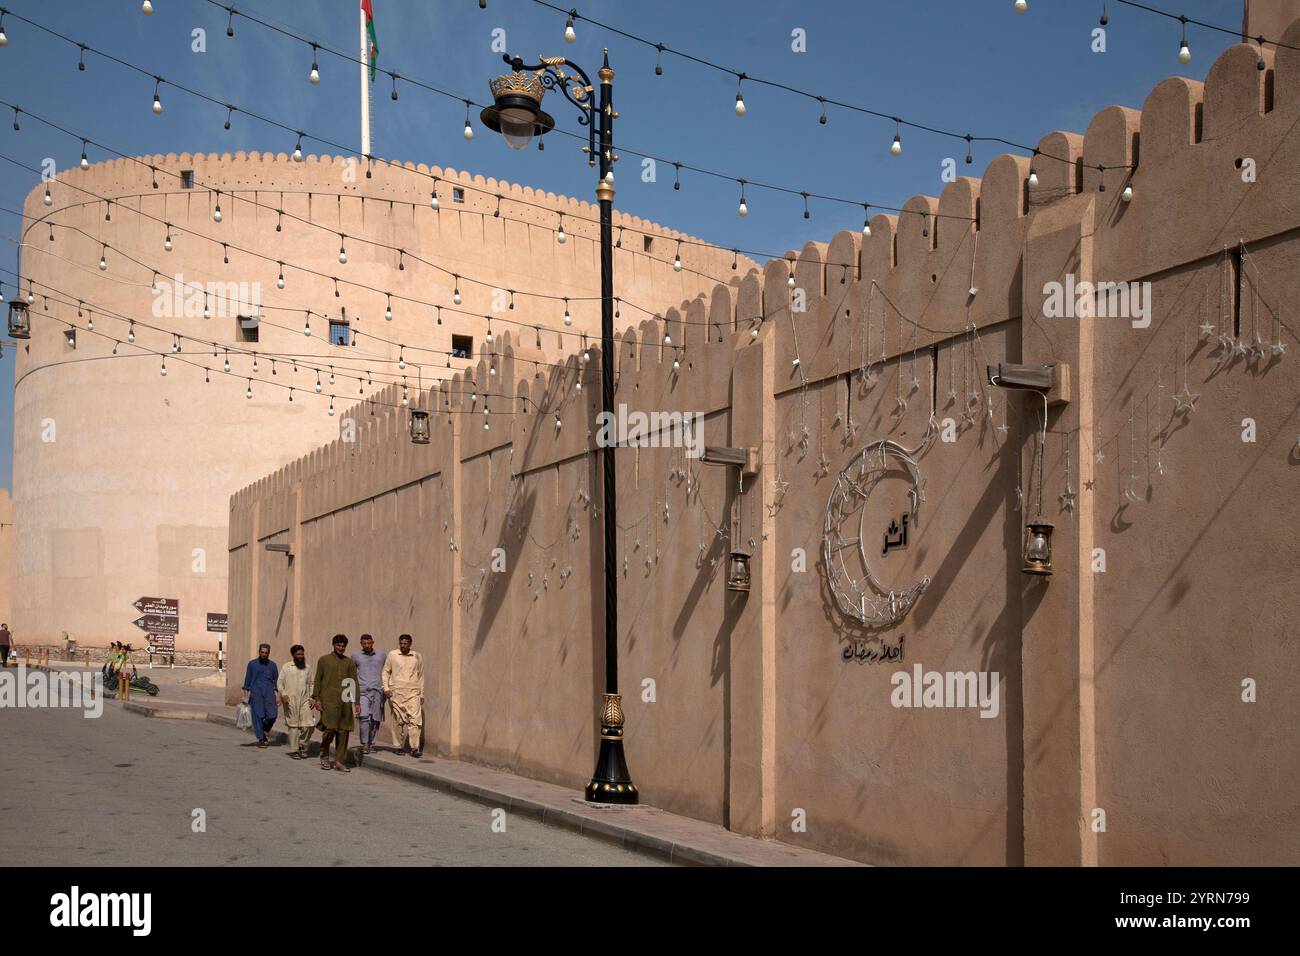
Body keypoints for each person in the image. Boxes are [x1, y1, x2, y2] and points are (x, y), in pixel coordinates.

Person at [312, 634, 359, 772]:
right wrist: (317, 699)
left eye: (343, 646)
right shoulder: (324, 660)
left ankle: (339, 761)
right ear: (333, 645)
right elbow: (318, 680)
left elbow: (353, 682)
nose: (341, 648)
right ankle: (325, 755)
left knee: (343, 731)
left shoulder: (349, 662)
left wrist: (356, 701)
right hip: (328, 701)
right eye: (339, 645)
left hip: (344, 701)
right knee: (330, 729)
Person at [382, 633, 424, 758]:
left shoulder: (417, 656)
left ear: (410, 644)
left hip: (413, 692)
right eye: (401, 643)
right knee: (398, 720)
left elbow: (421, 675)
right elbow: (385, 671)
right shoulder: (393, 655)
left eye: (405, 643)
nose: (403, 646)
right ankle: (398, 746)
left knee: (415, 720)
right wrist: (386, 688)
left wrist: (421, 693)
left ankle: (414, 748)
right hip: (396, 692)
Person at [276, 644, 315, 759]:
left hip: (305, 700)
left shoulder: (307, 668)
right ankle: (295, 750)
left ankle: (302, 744)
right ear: (293, 655)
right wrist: (283, 694)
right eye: (298, 654)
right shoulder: (287, 667)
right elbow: (280, 682)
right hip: (290, 700)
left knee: (309, 724)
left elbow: (311, 683)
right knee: (293, 726)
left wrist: (312, 697)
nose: (300, 656)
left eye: (302, 654)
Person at [351, 634, 385, 754]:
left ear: (373, 642)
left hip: (378, 691)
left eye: (369, 643)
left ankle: (371, 744)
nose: (366, 645)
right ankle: (365, 744)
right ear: (361, 643)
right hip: (362, 692)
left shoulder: (381, 655)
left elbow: (386, 673)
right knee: (364, 717)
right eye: (364, 643)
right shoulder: (355, 656)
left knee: (375, 719)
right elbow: (352, 674)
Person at [240, 643, 279, 748]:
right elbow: (247, 681)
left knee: (273, 714)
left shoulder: (273, 665)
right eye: (262, 652)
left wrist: (278, 695)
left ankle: (264, 729)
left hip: (269, 692)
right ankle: (262, 738)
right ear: (259, 652)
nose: (264, 654)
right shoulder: (252, 664)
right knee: (258, 716)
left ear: (269, 653)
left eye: (266, 653)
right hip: (256, 693)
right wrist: (245, 697)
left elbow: (277, 681)